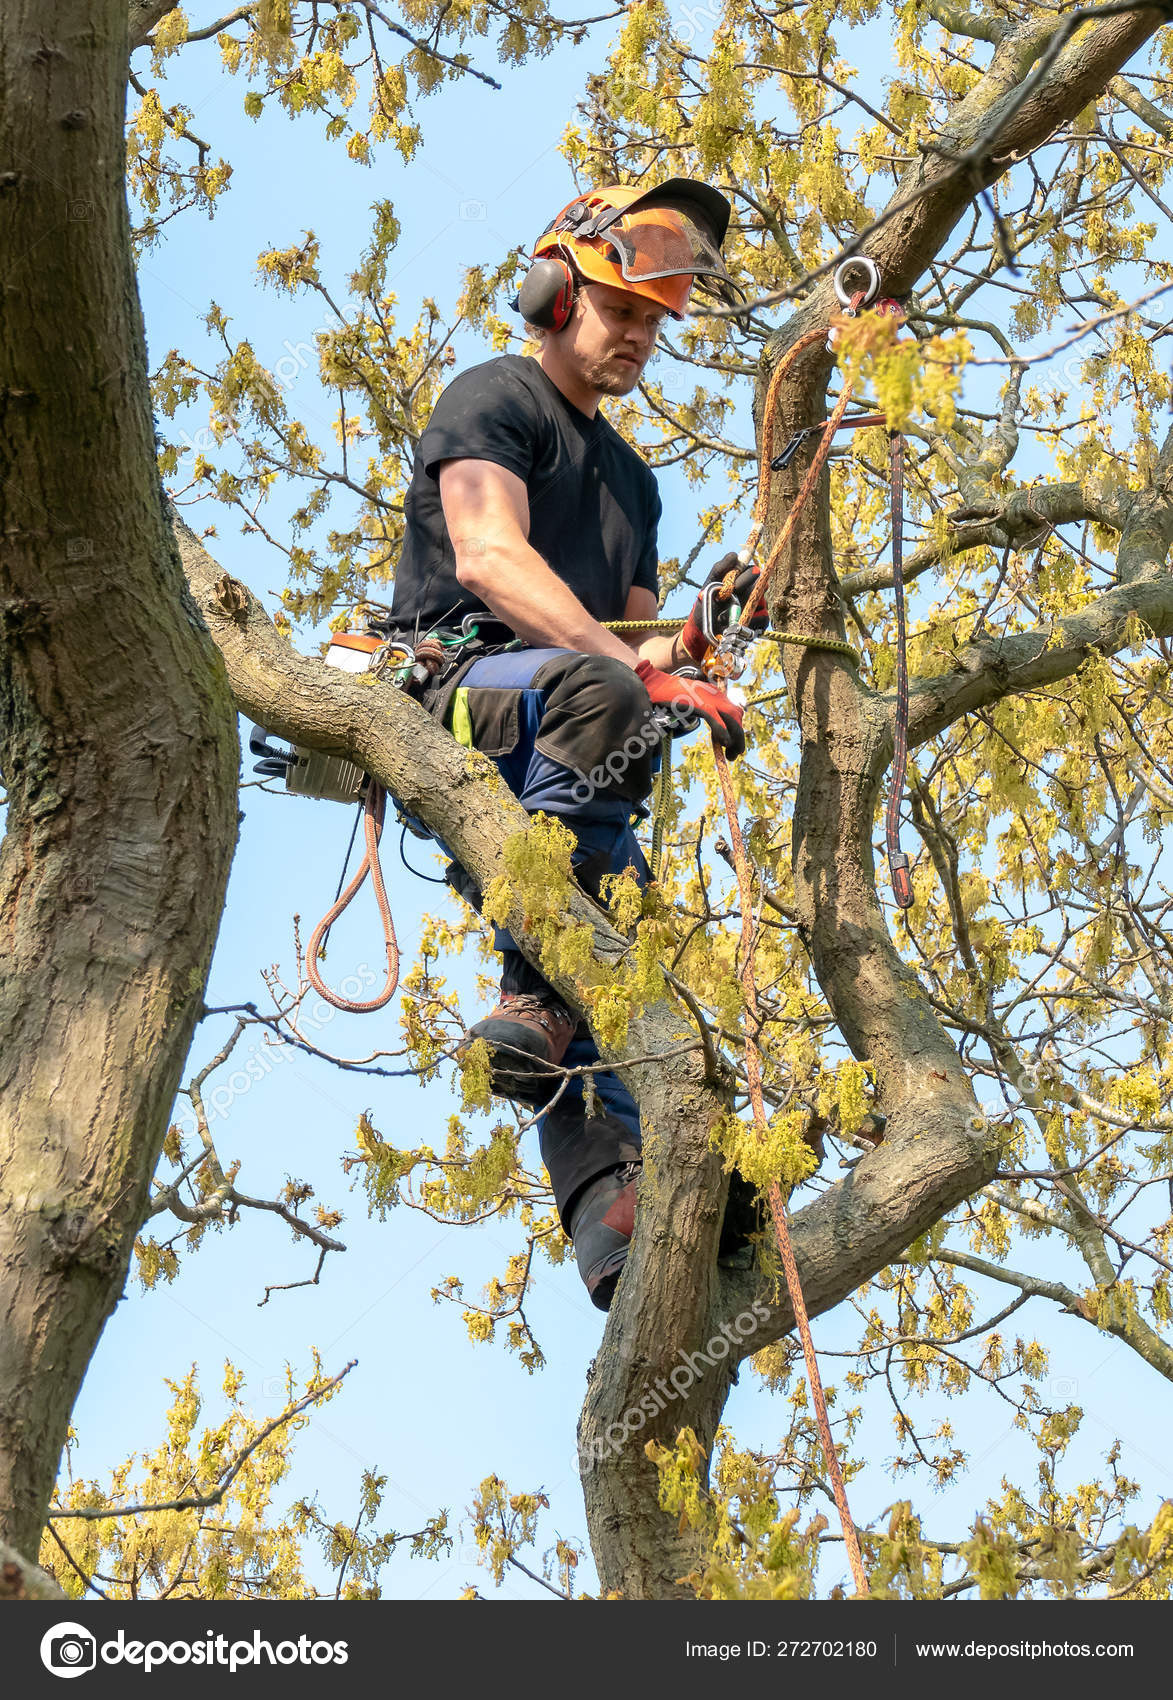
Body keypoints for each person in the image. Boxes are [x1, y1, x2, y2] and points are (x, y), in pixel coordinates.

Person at [379, 179, 758, 1309]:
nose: (639, 339)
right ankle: (528, 982)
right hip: (466, 690)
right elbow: (491, 557)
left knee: (638, 959)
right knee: (603, 688)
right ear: (553, 297)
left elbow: (637, 637)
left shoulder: (634, 483)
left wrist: (687, 647)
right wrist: (635, 670)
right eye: (619, 314)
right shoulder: (495, 398)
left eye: (652, 324)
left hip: (578, 728)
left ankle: (625, 1209)